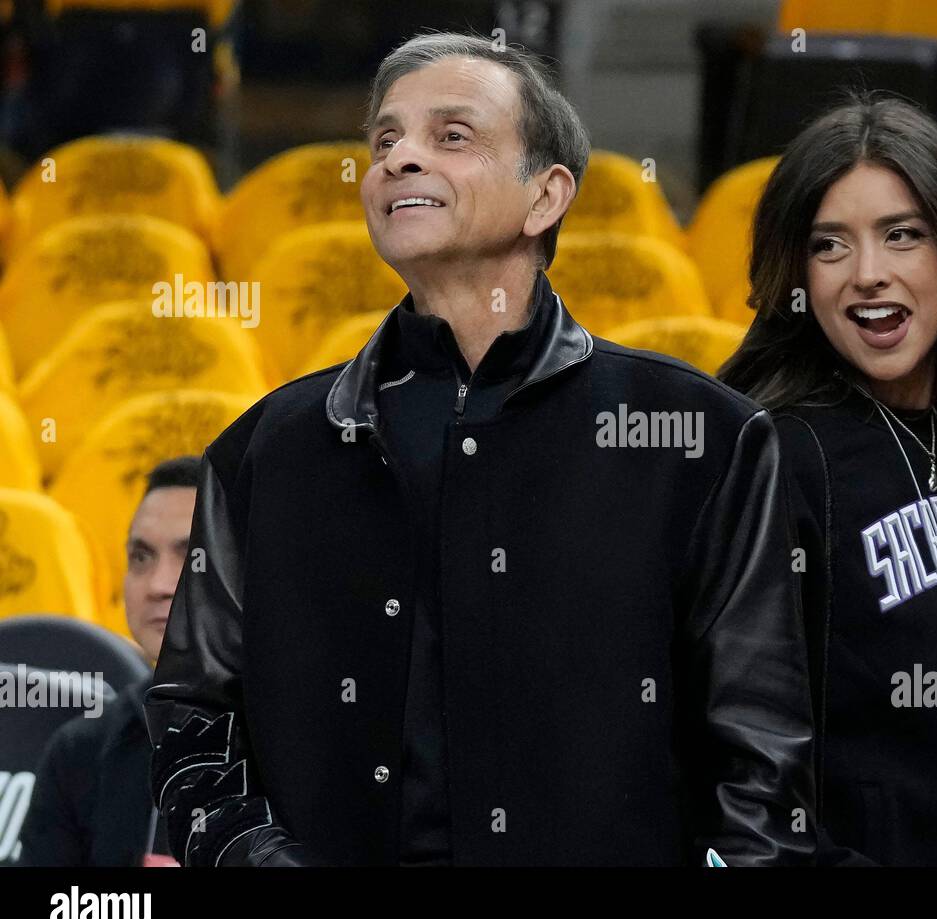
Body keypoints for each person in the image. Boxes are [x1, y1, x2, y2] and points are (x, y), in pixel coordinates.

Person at [145, 31, 815, 867]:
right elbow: (194, 725)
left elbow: (762, 770)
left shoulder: (703, 440)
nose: (399, 159)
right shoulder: (266, 449)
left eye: (451, 135)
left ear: (546, 196)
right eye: (385, 141)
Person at [718, 94, 937, 865]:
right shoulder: (779, 457)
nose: (868, 274)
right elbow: (738, 776)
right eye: (829, 245)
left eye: (902, 235)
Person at [18, 456, 200, 866]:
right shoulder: (80, 751)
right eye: (141, 557)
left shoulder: (312, 743)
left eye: (192, 555)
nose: (158, 585)